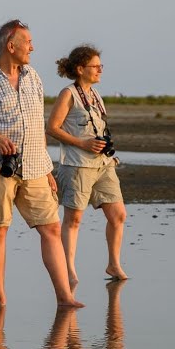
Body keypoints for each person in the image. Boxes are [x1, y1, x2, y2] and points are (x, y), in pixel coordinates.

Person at [0, 20, 83, 309]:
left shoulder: (33, 76)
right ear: (12, 46)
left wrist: (48, 168)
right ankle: (0, 300)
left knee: (50, 229)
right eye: (28, 42)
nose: (33, 47)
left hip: (36, 168)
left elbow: (36, 126)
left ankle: (65, 297)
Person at [47, 45, 128, 289]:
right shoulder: (68, 94)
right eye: (96, 66)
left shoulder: (95, 95)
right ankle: (69, 270)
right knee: (74, 220)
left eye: (100, 66)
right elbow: (52, 128)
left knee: (118, 215)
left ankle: (113, 264)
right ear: (80, 69)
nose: (100, 70)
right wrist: (82, 143)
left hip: (103, 163)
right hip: (77, 165)